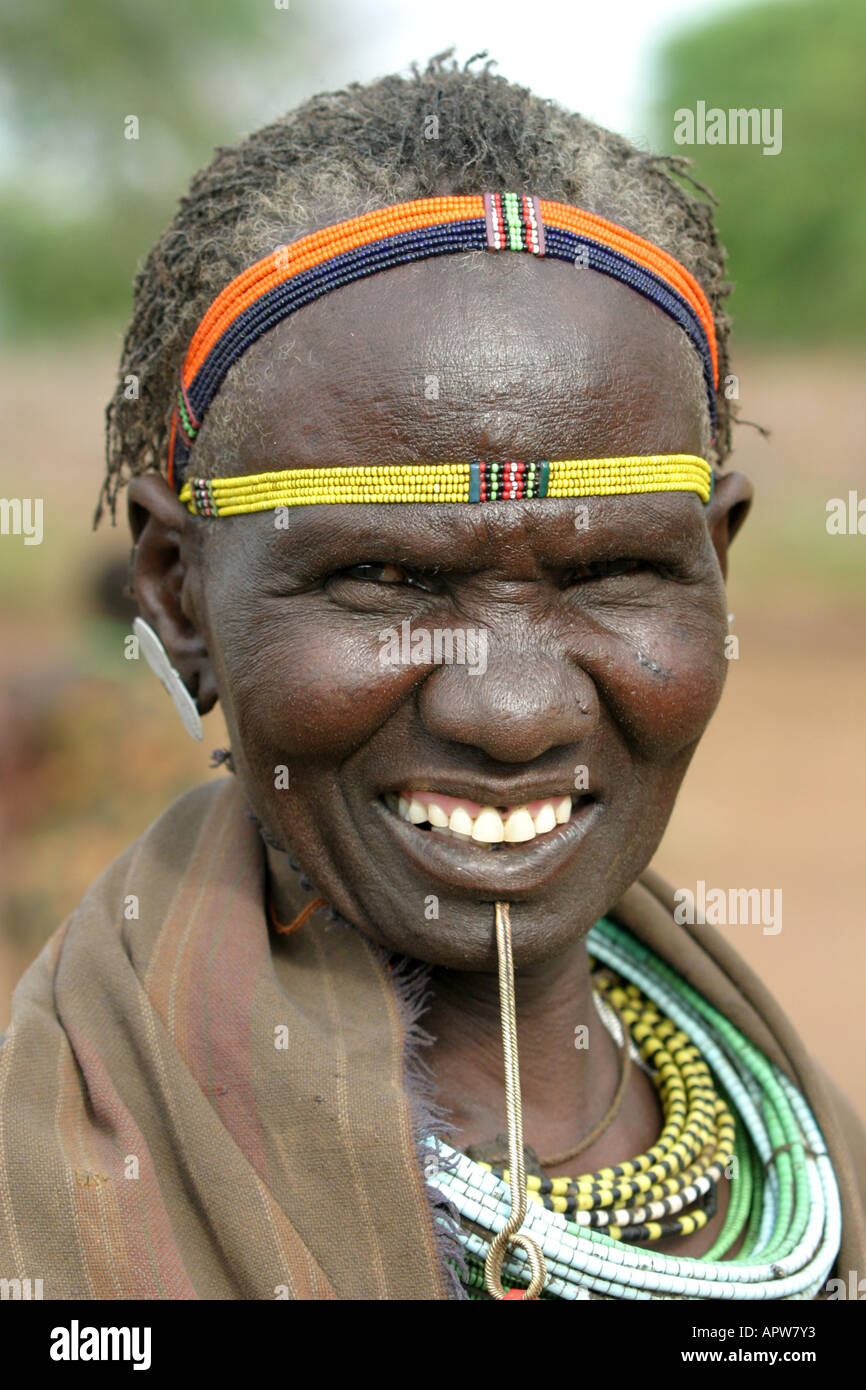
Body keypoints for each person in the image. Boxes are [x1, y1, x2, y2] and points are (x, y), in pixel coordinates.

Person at [1, 56, 863, 1301]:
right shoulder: (55, 1216)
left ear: (715, 563)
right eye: (386, 583)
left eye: (614, 571)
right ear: (179, 594)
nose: (513, 714)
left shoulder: (805, 1154)